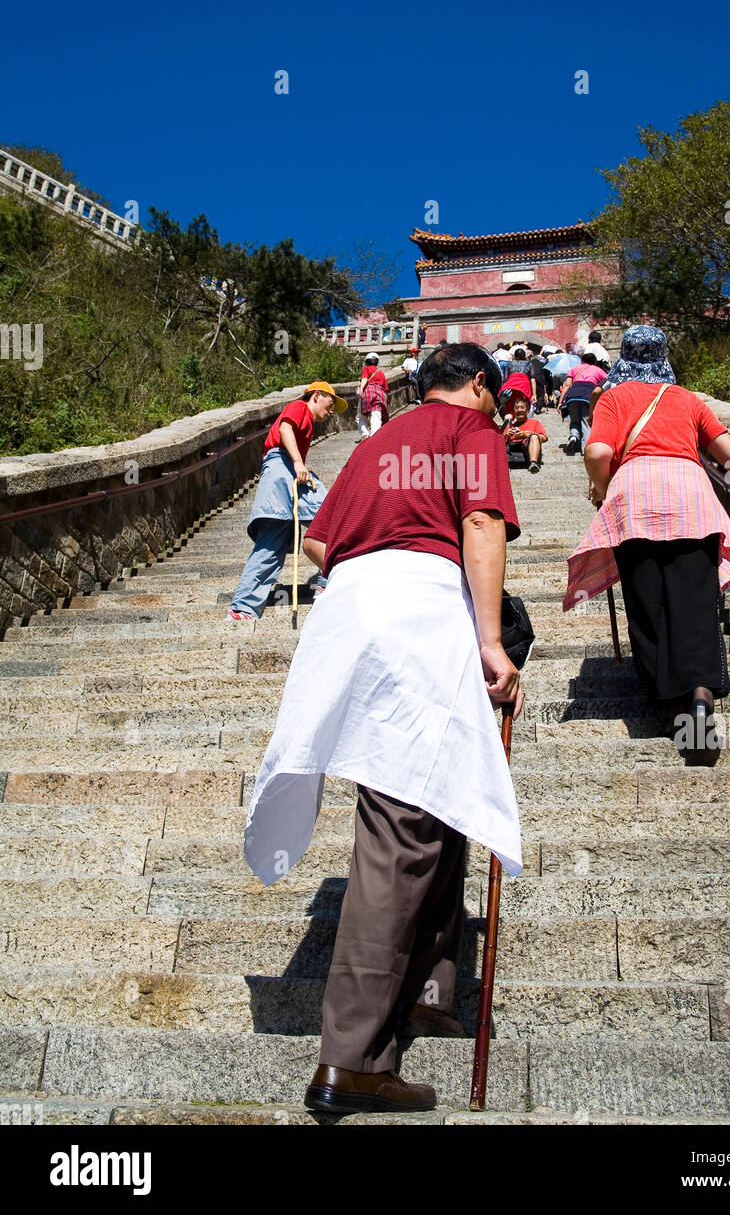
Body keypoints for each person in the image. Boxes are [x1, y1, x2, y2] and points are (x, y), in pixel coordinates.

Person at [244, 343, 524, 1114]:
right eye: (493, 396)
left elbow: (319, 541)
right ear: (476, 385)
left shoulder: (375, 443)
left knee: (437, 795)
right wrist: (492, 642)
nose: (497, 409)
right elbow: (481, 522)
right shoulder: (472, 434)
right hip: (420, 614)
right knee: (402, 823)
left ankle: (432, 984)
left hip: (350, 613)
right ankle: (353, 1060)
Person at [564, 325, 730, 743]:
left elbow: (597, 452)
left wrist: (606, 487)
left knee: (648, 607)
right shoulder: (686, 400)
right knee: (694, 602)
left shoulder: (613, 398)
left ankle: (673, 708)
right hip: (691, 500)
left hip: (635, 505)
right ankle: (700, 695)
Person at [225, 383, 346, 622]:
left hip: (283, 470)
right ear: (317, 396)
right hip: (284, 468)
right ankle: (327, 580)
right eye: (331, 405)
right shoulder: (300, 407)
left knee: (277, 540)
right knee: (321, 518)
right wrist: (298, 462)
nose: (332, 411)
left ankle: (243, 608)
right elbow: (285, 429)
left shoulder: (309, 421)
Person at [559, 352, 608, 454]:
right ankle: (585, 449)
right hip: (588, 396)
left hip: (573, 396)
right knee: (586, 422)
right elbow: (606, 383)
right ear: (594, 362)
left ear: (582, 361)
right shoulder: (598, 370)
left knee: (574, 420)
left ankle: (573, 437)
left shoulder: (575, 369)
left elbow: (567, 384)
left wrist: (560, 401)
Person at [503, 396, 547, 473]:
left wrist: (527, 435)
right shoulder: (509, 426)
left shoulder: (535, 423)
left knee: (533, 436)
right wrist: (506, 435)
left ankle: (533, 463)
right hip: (512, 452)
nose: (519, 410)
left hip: (528, 451)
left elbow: (544, 438)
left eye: (522, 407)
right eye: (516, 408)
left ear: (527, 410)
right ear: (513, 411)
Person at [357, 353, 389, 438]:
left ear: (366, 362)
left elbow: (364, 378)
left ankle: (365, 434)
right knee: (376, 416)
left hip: (368, 393)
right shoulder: (381, 373)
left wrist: (361, 389)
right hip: (380, 394)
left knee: (361, 416)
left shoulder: (366, 369)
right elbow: (385, 389)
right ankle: (375, 437)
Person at [499, 347, 534, 417]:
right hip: (524, 387)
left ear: (515, 355)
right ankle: (522, 421)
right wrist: (534, 394)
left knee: (509, 407)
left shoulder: (509, 364)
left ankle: (508, 419)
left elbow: (505, 379)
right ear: (524, 356)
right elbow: (533, 379)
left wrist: (502, 390)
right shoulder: (529, 364)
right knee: (523, 405)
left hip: (510, 386)